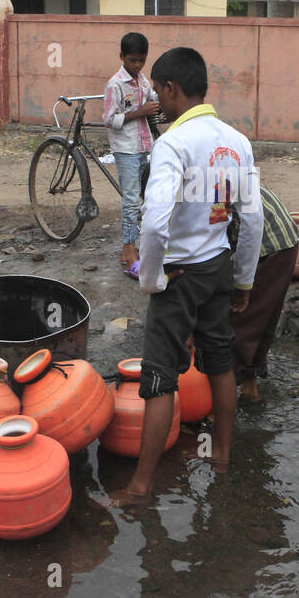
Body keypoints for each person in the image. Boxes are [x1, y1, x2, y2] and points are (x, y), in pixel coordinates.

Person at [109, 47, 262, 507]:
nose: (158, 100)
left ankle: (139, 487)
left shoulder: (174, 144)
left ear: (173, 89)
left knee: (159, 378)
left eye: (158, 92)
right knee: (220, 364)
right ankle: (222, 457)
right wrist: (243, 283)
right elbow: (250, 222)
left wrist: (151, 279)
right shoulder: (237, 142)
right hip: (217, 269)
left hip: (178, 274)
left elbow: (154, 223)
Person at [230, 184, 299, 403]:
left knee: (241, 318)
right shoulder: (214, 168)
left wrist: (242, 286)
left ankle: (221, 401)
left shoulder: (202, 187)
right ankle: (250, 388)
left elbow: (244, 236)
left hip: (268, 244)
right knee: (263, 317)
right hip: (283, 238)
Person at [103, 32, 159, 273]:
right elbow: (108, 119)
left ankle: (140, 244)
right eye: (132, 61)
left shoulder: (143, 81)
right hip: (126, 149)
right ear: (122, 57)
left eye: (141, 61)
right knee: (131, 199)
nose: (137, 65)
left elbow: (152, 99)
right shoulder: (115, 84)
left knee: (146, 197)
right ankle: (128, 247)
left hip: (145, 147)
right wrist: (140, 112)